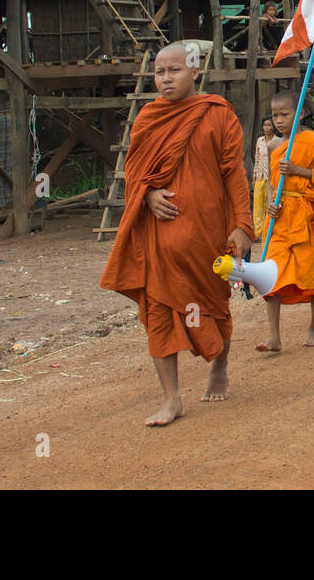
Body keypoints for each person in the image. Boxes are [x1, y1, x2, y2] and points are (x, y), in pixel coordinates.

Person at [99, 42, 253, 428]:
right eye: (159, 73)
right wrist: (147, 195)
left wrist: (243, 225)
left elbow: (234, 171)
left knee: (215, 305)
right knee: (159, 313)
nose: (165, 79)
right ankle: (171, 399)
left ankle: (220, 366)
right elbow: (134, 174)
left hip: (208, 232)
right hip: (159, 238)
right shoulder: (149, 118)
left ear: (195, 71)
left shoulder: (217, 113)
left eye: (174, 71)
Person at [255, 90, 314, 351]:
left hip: (310, 215)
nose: (279, 120)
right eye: (275, 115)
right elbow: (271, 182)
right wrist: (270, 202)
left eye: (285, 114)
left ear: (301, 113)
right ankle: (274, 337)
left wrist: (298, 170)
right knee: (269, 275)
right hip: (281, 218)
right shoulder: (272, 146)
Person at [252, 116, 276, 235]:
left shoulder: (277, 141)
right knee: (258, 204)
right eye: (265, 125)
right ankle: (258, 231)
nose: (266, 128)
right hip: (260, 176)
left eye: (269, 125)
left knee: (269, 204)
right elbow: (257, 159)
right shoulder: (259, 141)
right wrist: (254, 176)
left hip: (270, 177)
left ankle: (268, 231)